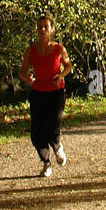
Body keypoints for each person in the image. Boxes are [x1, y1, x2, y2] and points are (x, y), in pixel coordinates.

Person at [19, 14, 72, 178]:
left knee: (52, 126)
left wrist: (61, 75)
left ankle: (57, 147)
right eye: (40, 27)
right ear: (37, 29)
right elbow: (22, 71)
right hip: (38, 93)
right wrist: (27, 78)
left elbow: (69, 66)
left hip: (56, 93)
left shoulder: (58, 49)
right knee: (36, 133)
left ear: (52, 30)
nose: (42, 30)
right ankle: (46, 163)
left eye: (46, 27)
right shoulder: (31, 50)